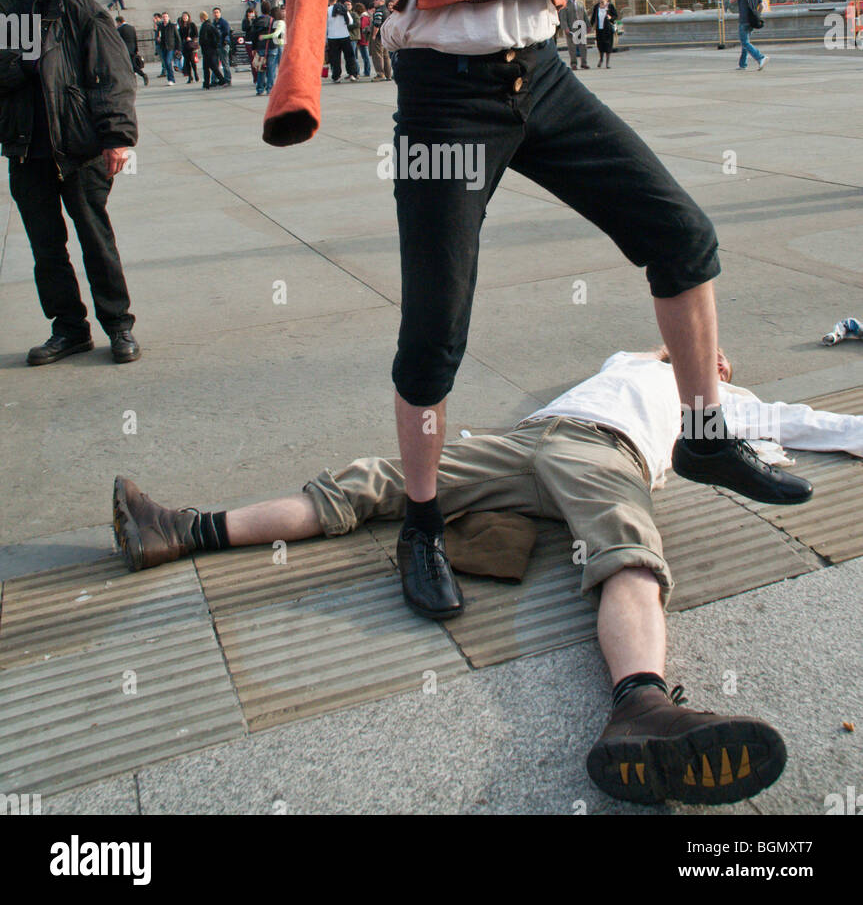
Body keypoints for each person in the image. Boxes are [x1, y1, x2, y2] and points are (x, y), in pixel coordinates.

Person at [116, 0, 827, 620]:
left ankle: (705, 431)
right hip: (448, 101)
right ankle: (418, 524)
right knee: (434, 336)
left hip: (540, 77)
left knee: (682, 235)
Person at [112, 344, 846, 805]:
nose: (713, 361)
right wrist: (668, 352)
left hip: (605, 455)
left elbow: (814, 423)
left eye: (719, 358)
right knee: (379, 481)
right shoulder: (628, 361)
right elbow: (649, 351)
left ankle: (640, 704)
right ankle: (180, 530)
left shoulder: (729, 404)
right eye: (704, 352)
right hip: (518, 447)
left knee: (627, 551)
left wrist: (716, 387)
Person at [0, 0, 141, 365]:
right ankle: (69, 329)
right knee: (46, 249)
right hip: (26, 151)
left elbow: (112, 73)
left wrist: (116, 136)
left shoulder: (75, 3)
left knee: (96, 240)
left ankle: (119, 326)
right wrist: (16, 63)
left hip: (79, 148)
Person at [729, 0, 768, 71]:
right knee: (745, 42)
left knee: (745, 42)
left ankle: (760, 57)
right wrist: (757, 15)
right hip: (752, 20)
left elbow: (731, 0)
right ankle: (742, 64)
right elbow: (762, 5)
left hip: (744, 19)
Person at [325, 0, 359, 83]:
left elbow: (325, 26)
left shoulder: (327, 11)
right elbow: (351, 21)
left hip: (332, 37)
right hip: (345, 35)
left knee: (335, 58)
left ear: (328, 0)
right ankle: (352, 74)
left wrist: (325, 39)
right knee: (349, 56)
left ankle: (336, 76)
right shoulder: (343, 8)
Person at [115, 13, 149, 87]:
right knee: (132, 65)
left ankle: (141, 75)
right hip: (132, 49)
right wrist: (136, 49)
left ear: (118, 22)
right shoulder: (131, 28)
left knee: (130, 66)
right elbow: (135, 39)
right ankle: (138, 77)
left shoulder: (120, 29)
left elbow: (118, 40)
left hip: (125, 50)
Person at [589, 0, 618, 69]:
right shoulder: (596, 7)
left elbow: (616, 16)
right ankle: (601, 59)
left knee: (608, 45)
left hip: (608, 29)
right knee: (600, 45)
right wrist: (590, 26)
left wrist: (610, 17)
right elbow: (593, 17)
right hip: (599, 29)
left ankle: (607, 62)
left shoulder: (610, 6)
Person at [250, 0, 274, 95]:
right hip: (272, 47)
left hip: (260, 47)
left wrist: (253, 48)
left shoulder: (257, 21)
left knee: (261, 68)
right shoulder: (273, 20)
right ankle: (270, 89)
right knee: (271, 69)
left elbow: (254, 36)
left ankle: (260, 89)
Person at [562, 0, 589, 70]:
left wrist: (588, 25)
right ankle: (573, 64)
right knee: (572, 47)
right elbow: (563, 18)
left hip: (581, 27)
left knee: (583, 47)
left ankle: (584, 63)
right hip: (571, 28)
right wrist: (566, 28)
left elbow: (585, 15)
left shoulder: (581, 3)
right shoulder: (565, 4)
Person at [198, 10, 226, 89]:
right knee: (209, 67)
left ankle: (221, 80)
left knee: (210, 67)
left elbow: (204, 39)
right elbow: (217, 35)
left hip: (208, 50)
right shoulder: (210, 24)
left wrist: (208, 44)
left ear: (202, 18)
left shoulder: (205, 26)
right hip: (211, 49)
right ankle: (207, 83)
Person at [368, 0, 392, 81]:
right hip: (385, 36)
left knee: (377, 55)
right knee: (386, 55)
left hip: (378, 36)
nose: (374, 1)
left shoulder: (379, 11)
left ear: (382, 1)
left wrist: (374, 35)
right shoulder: (386, 11)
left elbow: (377, 24)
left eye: (376, 0)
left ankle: (380, 73)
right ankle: (388, 74)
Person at [155, 10, 180, 85]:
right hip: (163, 47)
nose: (165, 18)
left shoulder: (172, 26)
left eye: (166, 17)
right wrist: (158, 39)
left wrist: (178, 48)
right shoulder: (160, 26)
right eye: (163, 17)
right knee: (166, 63)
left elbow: (177, 37)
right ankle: (170, 78)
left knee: (168, 62)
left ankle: (171, 79)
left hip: (170, 47)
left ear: (168, 17)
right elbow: (157, 35)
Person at [212, 6, 233, 85]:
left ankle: (228, 80)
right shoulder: (213, 23)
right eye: (214, 13)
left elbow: (227, 32)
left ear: (220, 13)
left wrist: (225, 41)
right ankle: (215, 80)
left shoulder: (223, 22)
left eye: (217, 12)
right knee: (215, 64)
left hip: (223, 45)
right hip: (216, 45)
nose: (216, 14)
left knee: (225, 63)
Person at [178, 11, 199, 83]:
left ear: (188, 17)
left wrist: (191, 38)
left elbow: (196, 34)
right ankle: (190, 77)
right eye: (183, 16)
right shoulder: (181, 26)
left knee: (192, 61)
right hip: (185, 46)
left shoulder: (192, 24)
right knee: (187, 62)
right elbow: (179, 37)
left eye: (186, 16)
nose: (184, 17)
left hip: (191, 45)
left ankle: (196, 73)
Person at [268, 3, 286, 90]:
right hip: (281, 44)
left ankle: (274, 84)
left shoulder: (275, 22)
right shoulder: (281, 22)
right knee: (281, 65)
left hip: (276, 44)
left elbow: (276, 34)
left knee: (273, 66)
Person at [354, 1, 372, 77]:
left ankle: (367, 71)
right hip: (364, 38)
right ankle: (366, 71)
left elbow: (362, 27)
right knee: (365, 56)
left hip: (363, 38)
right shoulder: (366, 16)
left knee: (365, 56)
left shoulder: (363, 17)